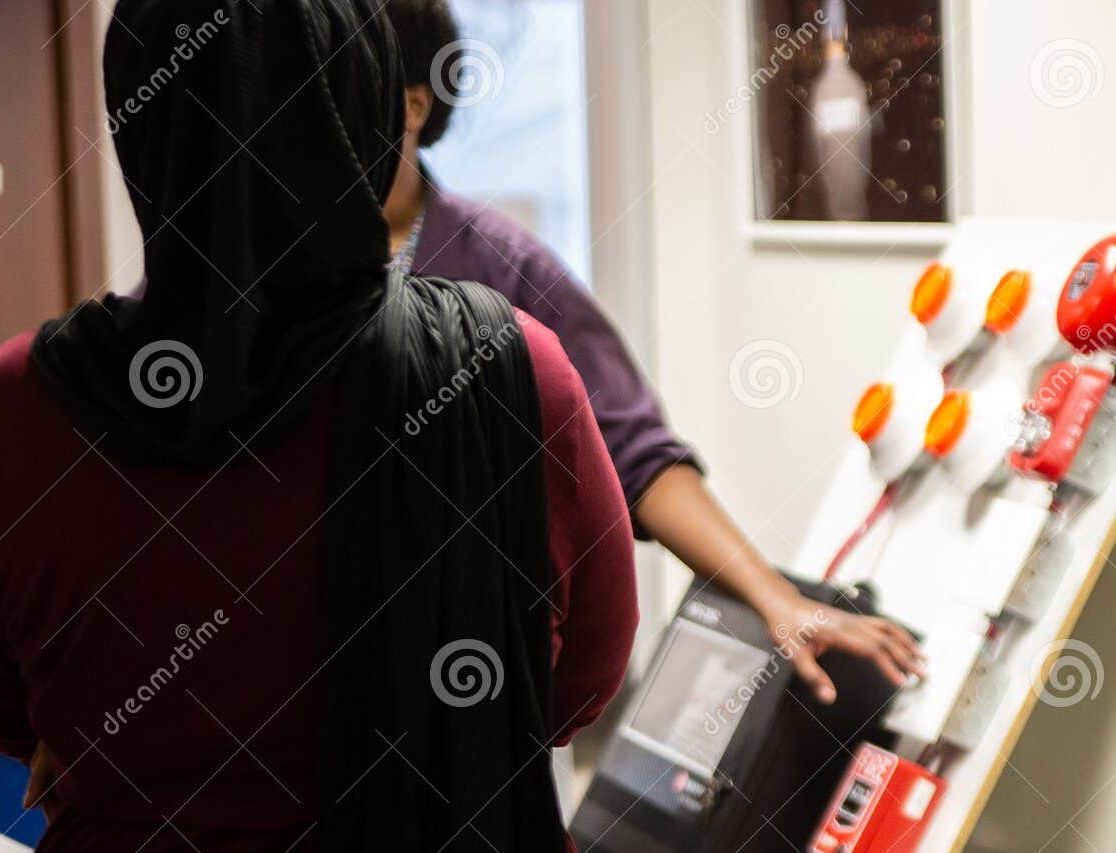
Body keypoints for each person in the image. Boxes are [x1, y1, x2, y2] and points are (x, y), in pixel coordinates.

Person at [0, 0, 635, 853]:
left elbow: (0, 712)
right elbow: (580, 684)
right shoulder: (512, 373)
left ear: (137, 123)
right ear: (363, 117)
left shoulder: (16, 407)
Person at [383, 0, 924, 701]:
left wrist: (776, 598)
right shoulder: (268, 266)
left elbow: (634, 452)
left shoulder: (497, 266)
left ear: (413, 104)